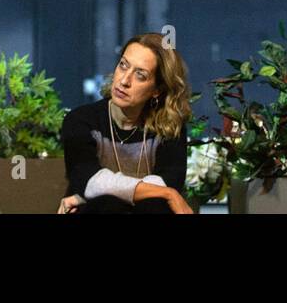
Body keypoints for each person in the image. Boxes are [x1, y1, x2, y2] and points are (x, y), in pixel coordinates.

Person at [59, 33, 193, 214]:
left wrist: (85, 196)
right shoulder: (80, 121)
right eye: (123, 65)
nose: (124, 81)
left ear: (157, 90)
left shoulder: (169, 127)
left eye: (140, 75)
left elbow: (168, 183)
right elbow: (89, 181)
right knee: (106, 204)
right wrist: (168, 194)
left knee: (154, 205)